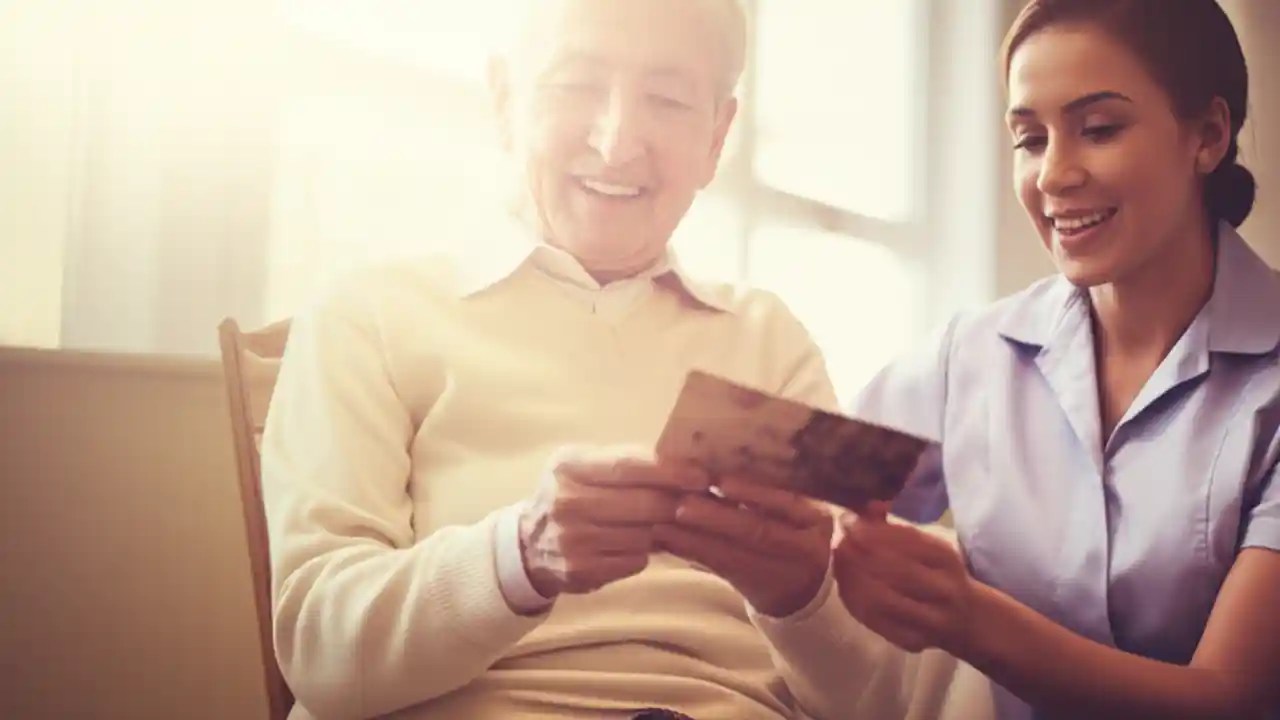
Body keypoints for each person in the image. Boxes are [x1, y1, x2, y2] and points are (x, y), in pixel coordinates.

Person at [261, 1, 971, 718]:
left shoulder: (768, 340)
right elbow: (321, 658)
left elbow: (875, 705)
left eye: (666, 99)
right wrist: (517, 558)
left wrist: (801, 598)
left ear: (716, 136)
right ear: (506, 100)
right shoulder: (371, 315)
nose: (617, 141)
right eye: (576, 85)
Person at [830, 1, 1280, 718]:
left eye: (1099, 129)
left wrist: (966, 617)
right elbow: (807, 488)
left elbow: (1225, 700)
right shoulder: (969, 357)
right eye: (1030, 139)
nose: (1054, 175)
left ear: (1208, 135)